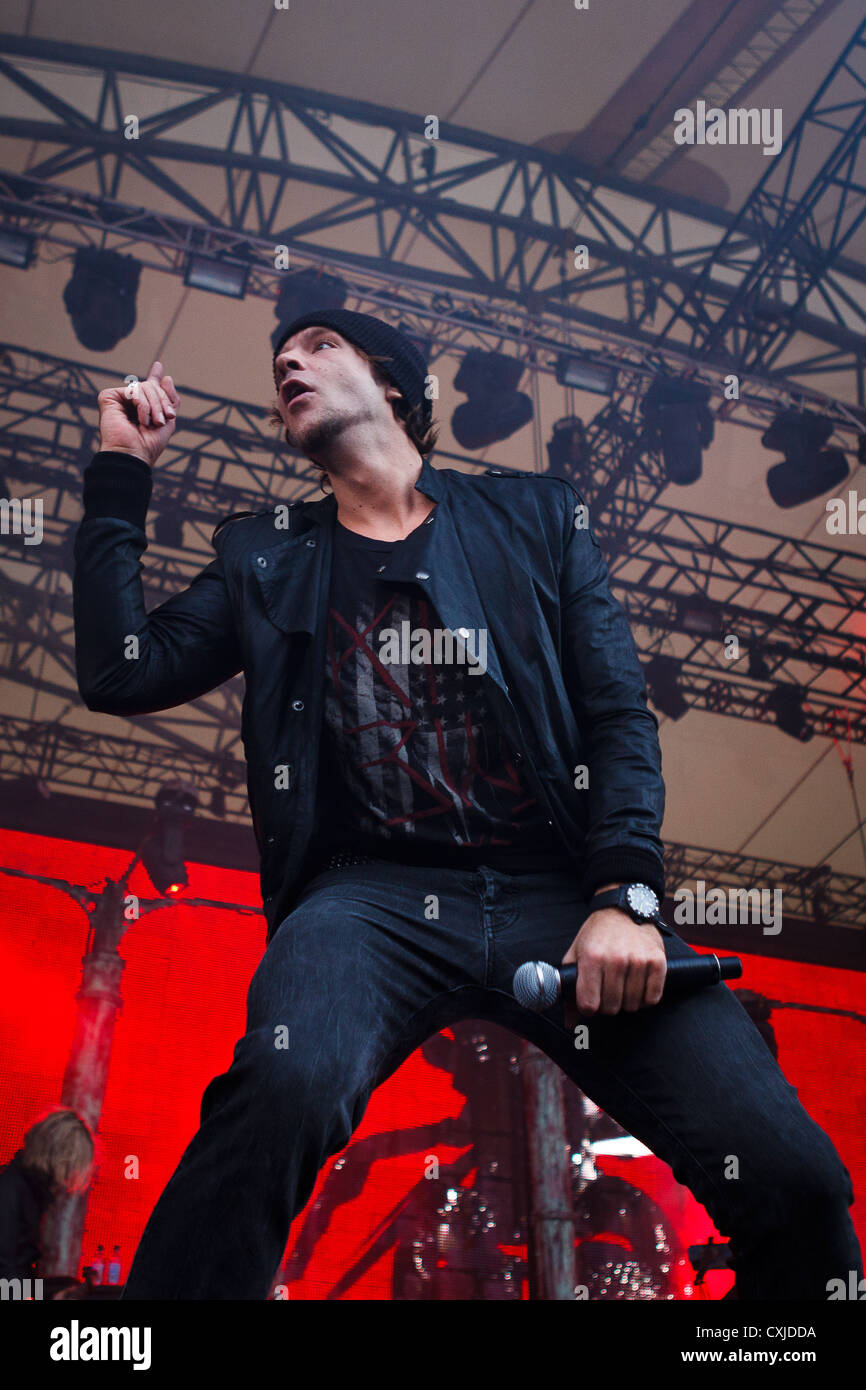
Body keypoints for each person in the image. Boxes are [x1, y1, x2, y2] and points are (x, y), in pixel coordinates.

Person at [73, 309, 862, 1301]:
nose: (287, 360)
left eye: (318, 346)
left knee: (792, 1181)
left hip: (557, 888)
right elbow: (119, 670)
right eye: (283, 356)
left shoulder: (533, 515)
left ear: (393, 385)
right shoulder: (263, 555)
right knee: (284, 1084)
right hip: (368, 900)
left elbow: (617, 711)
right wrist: (120, 470)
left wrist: (625, 893)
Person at [0, 1108, 95, 1280]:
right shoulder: (12, 1189)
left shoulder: (29, 1190)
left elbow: (20, 1267)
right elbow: (7, 1264)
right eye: (69, 1165)